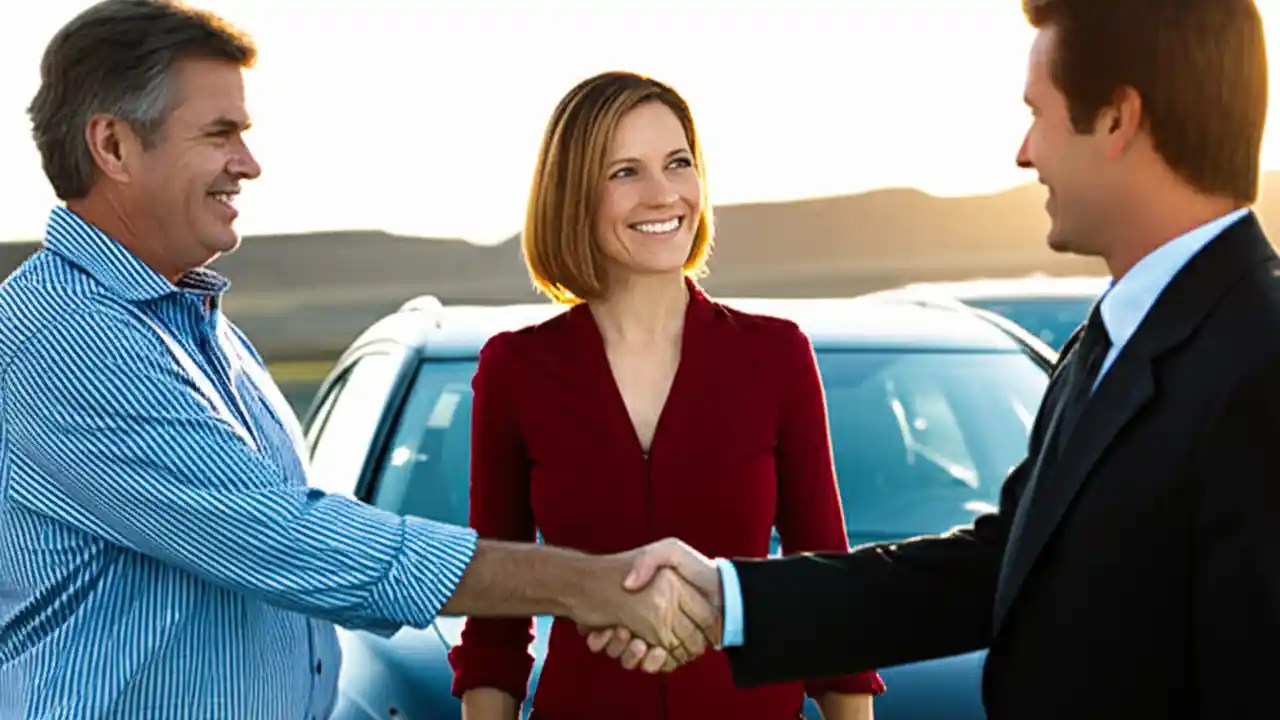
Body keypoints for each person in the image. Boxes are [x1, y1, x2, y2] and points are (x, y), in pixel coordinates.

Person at [0, 3, 717, 718]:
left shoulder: (198, 332)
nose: (248, 165)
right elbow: (285, 539)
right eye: (220, 134)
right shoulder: (68, 339)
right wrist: (591, 585)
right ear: (114, 146)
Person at [588, 0, 1280, 718]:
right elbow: (1000, 567)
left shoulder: (1262, 366)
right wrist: (729, 598)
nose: (1025, 151)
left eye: (1038, 113)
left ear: (1116, 119)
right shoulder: (1115, 340)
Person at [447, 70, 884, 719]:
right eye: (625, 171)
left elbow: (828, 601)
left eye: (678, 163)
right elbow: (494, 622)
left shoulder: (775, 356)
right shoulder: (518, 368)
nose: (663, 194)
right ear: (573, 195)